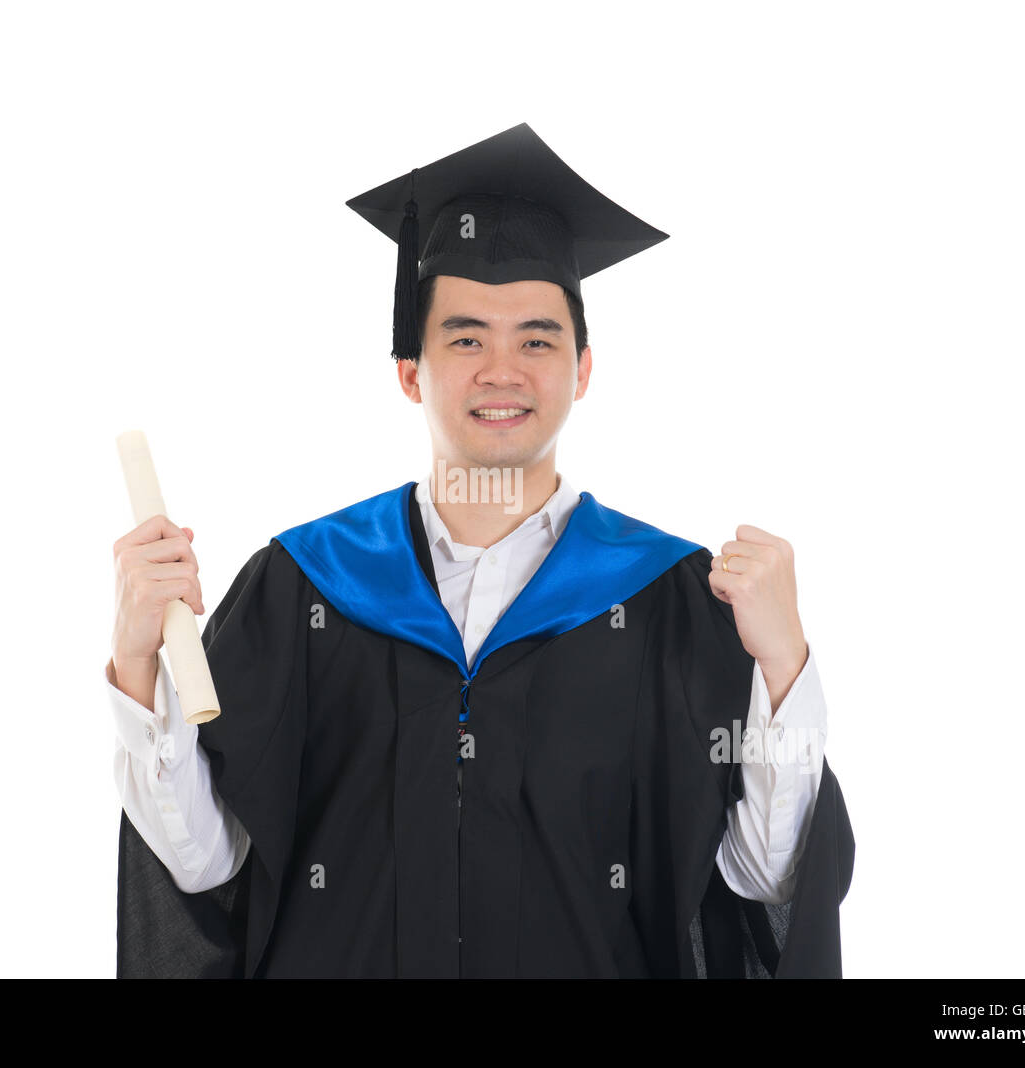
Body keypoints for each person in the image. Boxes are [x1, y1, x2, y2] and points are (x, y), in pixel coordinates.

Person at [106, 123, 854, 978]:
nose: (503, 369)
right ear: (410, 371)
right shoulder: (303, 583)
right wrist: (137, 668)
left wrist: (785, 666)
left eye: (537, 339)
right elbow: (206, 864)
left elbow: (763, 876)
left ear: (582, 370)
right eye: (466, 338)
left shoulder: (671, 600)